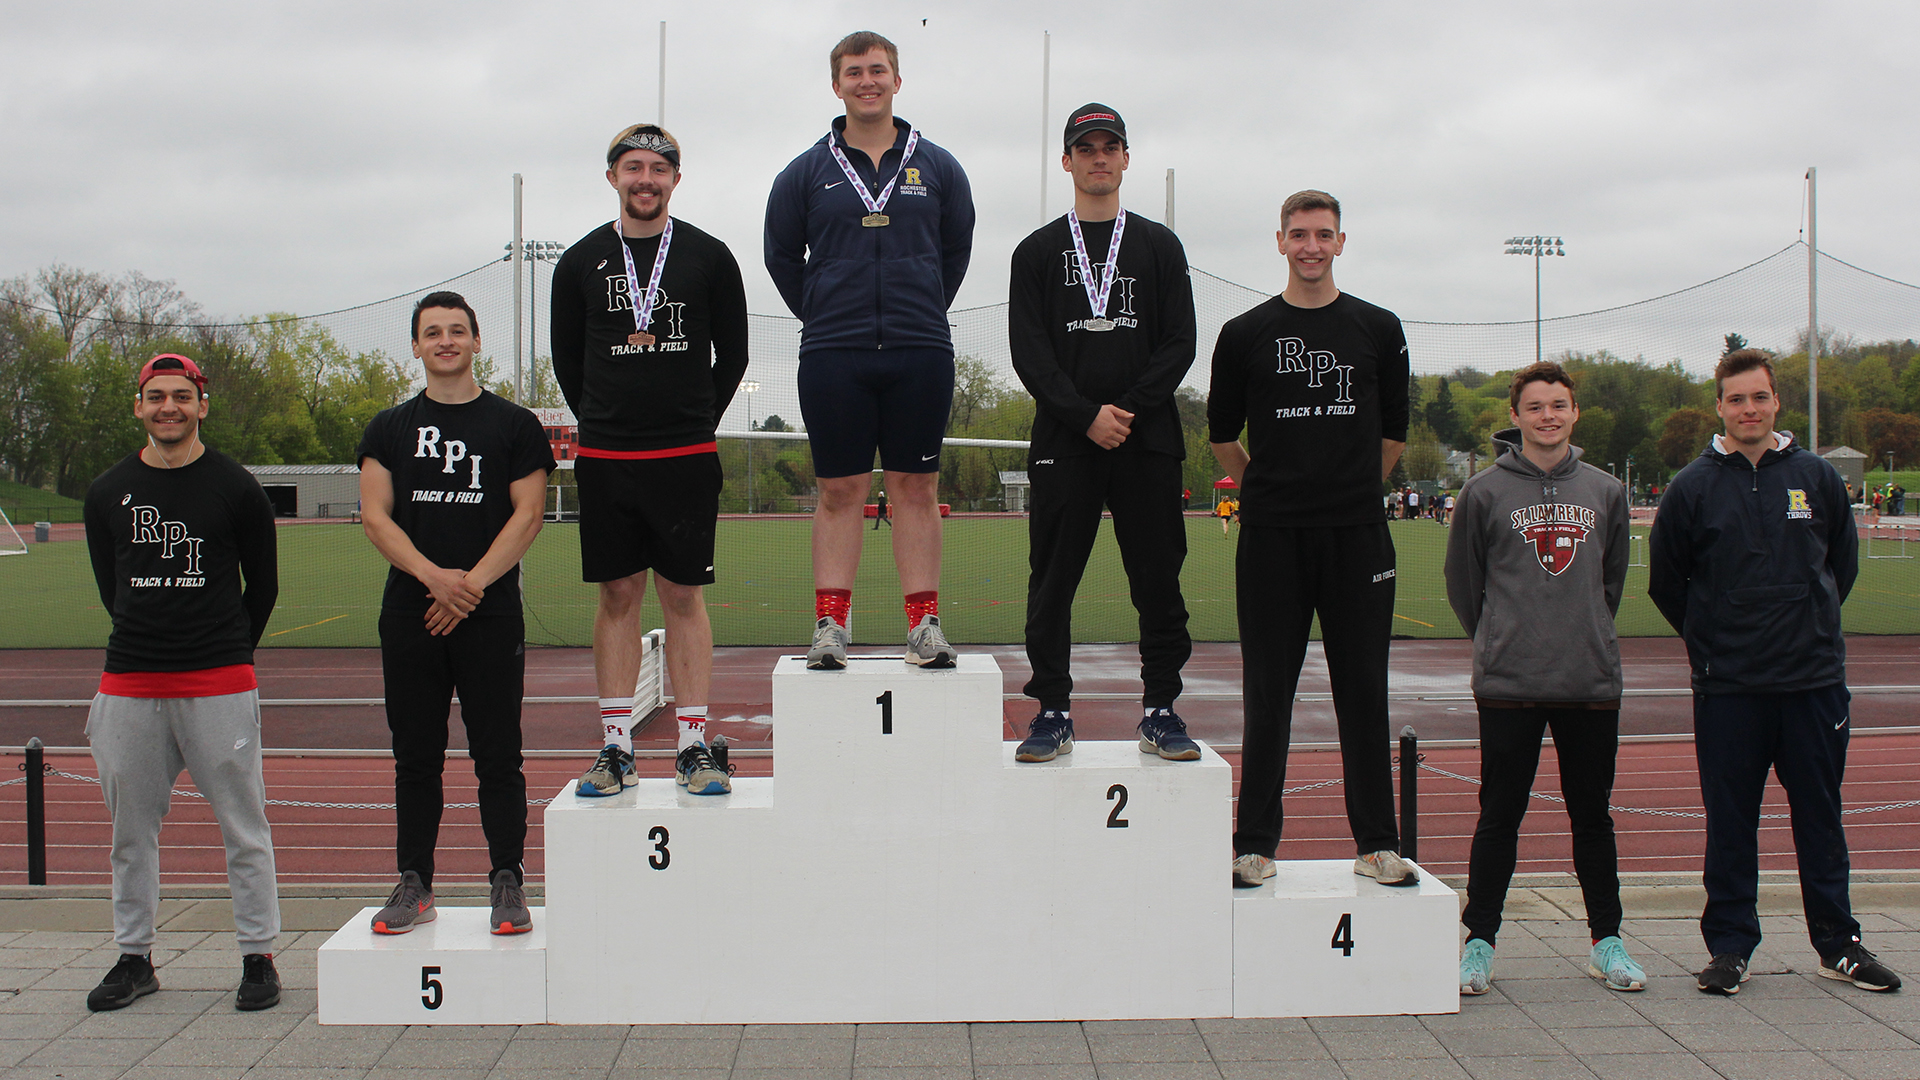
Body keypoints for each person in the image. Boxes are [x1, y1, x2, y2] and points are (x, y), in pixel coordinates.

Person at [1649, 348, 1902, 995]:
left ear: (1775, 402)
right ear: (1720, 407)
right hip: (1730, 688)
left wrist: (1806, 626)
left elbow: (1838, 568)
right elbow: (1667, 584)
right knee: (1731, 822)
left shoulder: (1816, 478)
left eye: (1758, 397)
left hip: (1811, 684)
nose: (1749, 409)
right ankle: (1731, 946)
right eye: (1736, 399)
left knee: (1820, 818)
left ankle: (1837, 943)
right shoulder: (1692, 487)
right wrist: (1716, 643)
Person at [1208, 190, 1415, 890]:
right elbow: (1219, 436)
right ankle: (1255, 844)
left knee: (1364, 693)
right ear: (1279, 241)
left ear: (1341, 241)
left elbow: (1393, 435)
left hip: (1357, 538)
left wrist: (1349, 488)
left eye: (1323, 234)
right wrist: (1270, 489)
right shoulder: (1244, 333)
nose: (1311, 247)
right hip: (1271, 539)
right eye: (1299, 234)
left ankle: (1377, 843)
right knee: (1268, 694)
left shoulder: (1378, 329)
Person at [765, 30, 976, 670]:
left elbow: (956, 250)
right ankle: (831, 625)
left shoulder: (937, 166)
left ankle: (924, 626)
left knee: (917, 484)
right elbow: (781, 257)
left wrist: (921, 306)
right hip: (834, 352)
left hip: (919, 347)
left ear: (896, 80)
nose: (867, 80)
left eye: (877, 69)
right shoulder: (804, 172)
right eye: (854, 71)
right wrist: (828, 311)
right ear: (837, 85)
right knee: (839, 489)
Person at [552, 124, 750, 798]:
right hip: (608, 455)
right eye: (633, 168)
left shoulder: (709, 256)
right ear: (613, 177)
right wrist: (609, 418)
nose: (645, 180)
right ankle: (616, 747)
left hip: (685, 454)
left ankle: (693, 745)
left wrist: (694, 417)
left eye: (658, 169)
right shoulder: (580, 261)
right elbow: (567, 361)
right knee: (616, 597)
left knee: (685, 596)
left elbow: (736, 354)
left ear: (675, 180)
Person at [81, 353, 282, 1012]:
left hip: (219, 683)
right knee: (129, 834)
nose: (168, 407)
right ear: (138, 407)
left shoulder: (236, 487)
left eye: (181, 396)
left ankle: (258, 958)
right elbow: (114, 591)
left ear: (202, 404)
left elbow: (264, 585)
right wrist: (153, 647)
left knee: (243, 829)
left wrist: (223, 651)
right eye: (155, 397)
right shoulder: (107, 492)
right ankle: (134, 958)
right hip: (130, 685)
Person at [357, 292, 555, 935]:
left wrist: (468, 587)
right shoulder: (387, 428)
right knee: (416, 756)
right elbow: (375, 516)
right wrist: (433, 579)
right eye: (432, 332)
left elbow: (527, 515)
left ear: (475, 341)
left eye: (457, 331)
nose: (445, 341)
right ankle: (414, 883)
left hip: (490, 614)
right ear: (415, 346)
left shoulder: (515, 425)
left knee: (499, 754)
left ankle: (507, 879)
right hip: (411, 612)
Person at [1007, 103, 1199, 764]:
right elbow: (1030, 355)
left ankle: (1161, 708)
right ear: (1066, 161)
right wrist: (1085, 414)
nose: (1097, 157)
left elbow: (1179, 344)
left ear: (1124, 158)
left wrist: (1127, 410)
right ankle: (1053, 711)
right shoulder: (1035, 252)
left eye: (1108, 146)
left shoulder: (1158, 246)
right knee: (1053, 581)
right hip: (1066, 441)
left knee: (1157, 581)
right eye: (1084, 148)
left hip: (1146, 440)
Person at [1444, 362, 1642, 996]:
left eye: (1559, 405)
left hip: (1589, 682)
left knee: (1594, 818)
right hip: (1510, 681)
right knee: (1499, 816)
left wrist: (1584, 631)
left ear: (1575, 413)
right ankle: (1479, 942)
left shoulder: (1607, 491)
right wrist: (1504, 635)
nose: (1548, 416)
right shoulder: (1482, 492)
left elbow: (1610, 583)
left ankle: (1606, 942)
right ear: (1518, 416)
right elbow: (1463, 584)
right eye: (1535, 406)